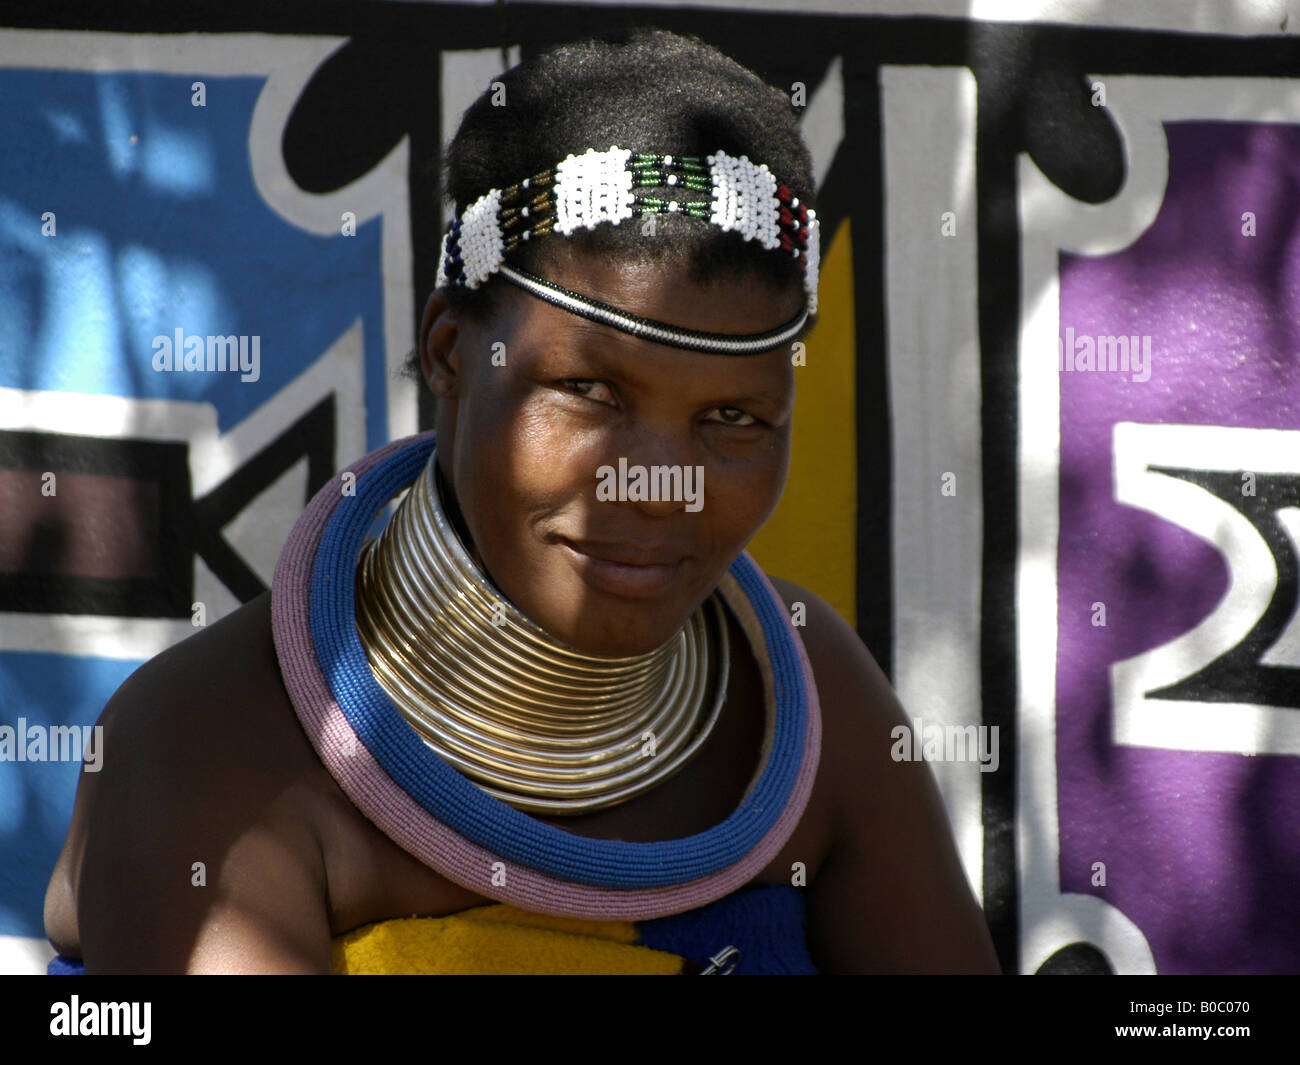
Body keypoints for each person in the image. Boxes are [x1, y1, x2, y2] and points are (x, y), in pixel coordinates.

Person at [42, 27, 1000, 974]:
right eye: (590, 393)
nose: (659, 484)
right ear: (452, 354)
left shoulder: (802, 696)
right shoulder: (210, 749)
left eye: (735, 418)